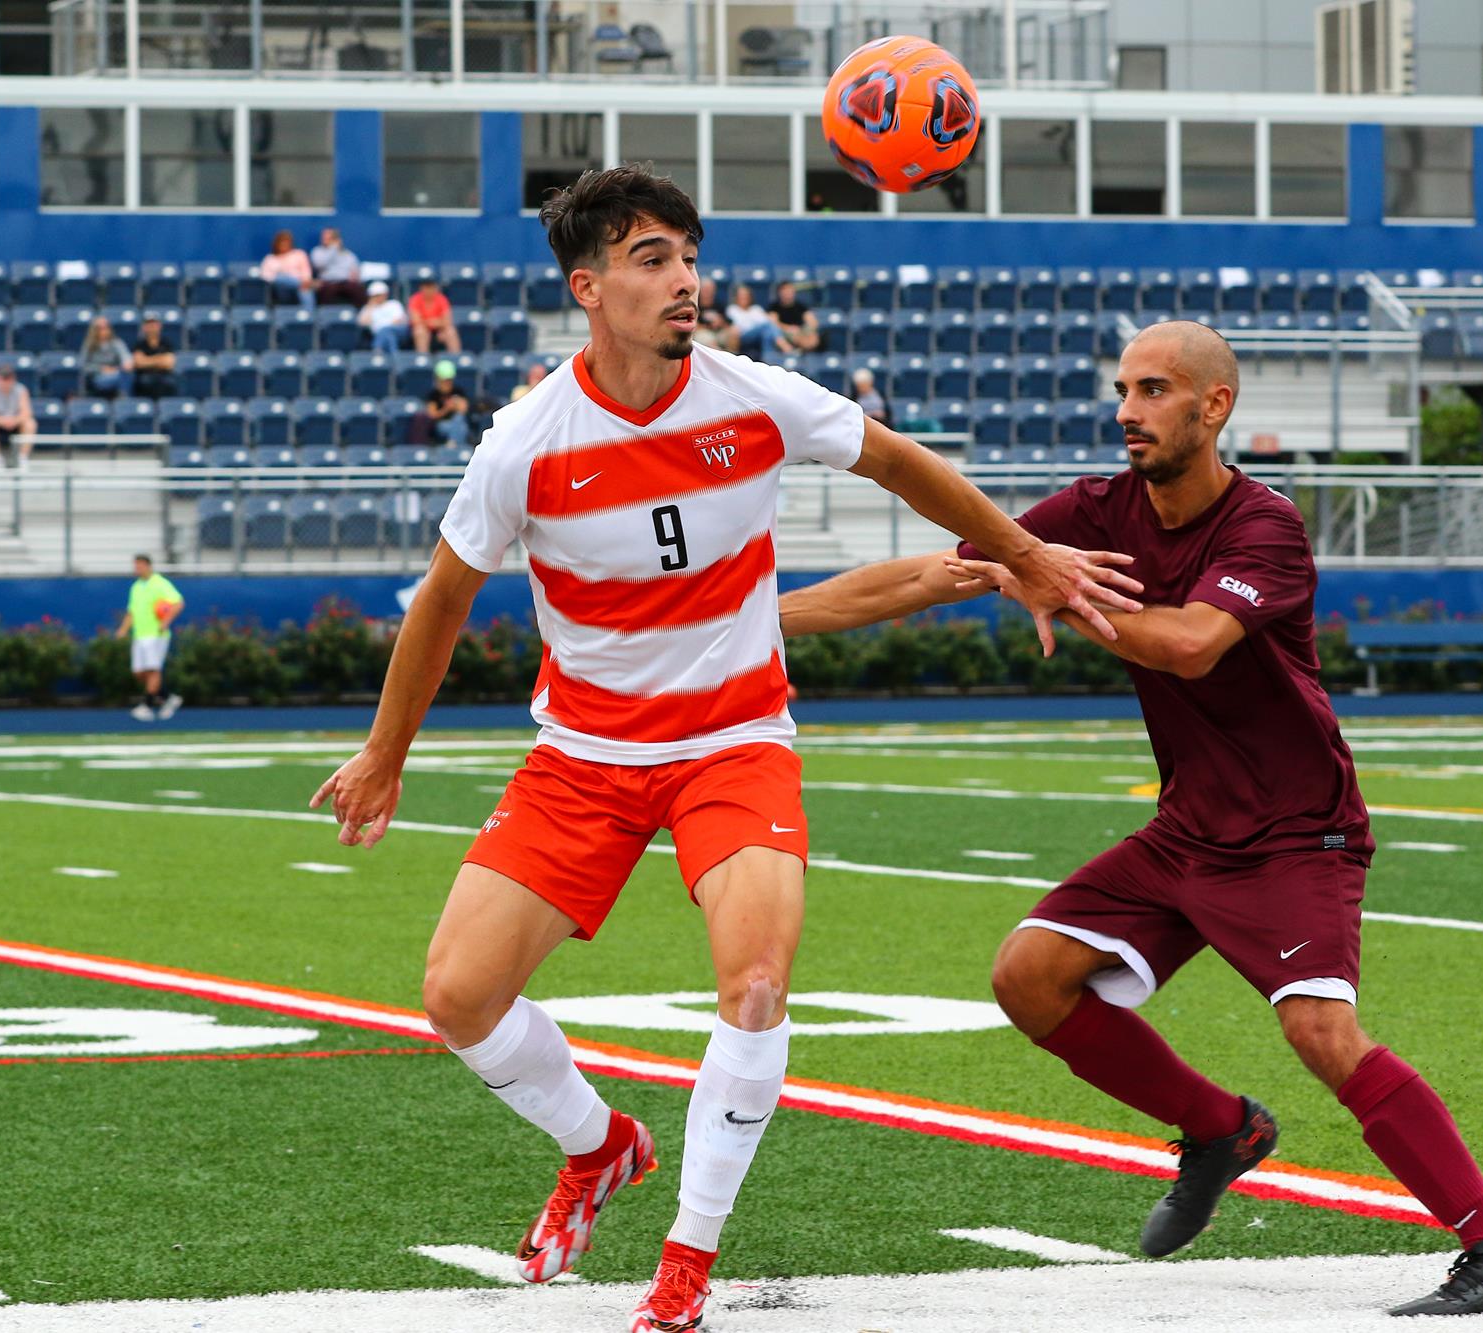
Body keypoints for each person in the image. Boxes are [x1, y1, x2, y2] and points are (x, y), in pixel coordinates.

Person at [306, 163, 1114, 1333]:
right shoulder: (523, 443)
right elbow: (439, 602)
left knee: (756, 979)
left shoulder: (755, 397)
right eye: (651, 260)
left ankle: (685, 1260)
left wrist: (1020, 549)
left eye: (688, 256)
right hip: (581, 752)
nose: (684, 280)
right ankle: (598, 1146)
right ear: (588, 287)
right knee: (457, 995)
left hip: (734, 743)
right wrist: (386, 753)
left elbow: (898, 462)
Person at [775, 320, 1483, 1320]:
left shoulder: (1262, 525)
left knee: (1318, 1028)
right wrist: (756, 613)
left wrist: (1048, 582)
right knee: (1027, 975)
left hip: (1290, 827)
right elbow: (933, 575)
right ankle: (1219, 1129)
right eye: (1121, 389)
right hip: (1187, 827)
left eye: (1150, 391)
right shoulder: (1091, 509)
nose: (1124, 411)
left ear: (1211, 406)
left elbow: (1190, 644)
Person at [116, 554, 183, 722]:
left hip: (156, 635)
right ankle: (168, 697)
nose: (136, 569)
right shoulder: (136, 587)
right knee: (139, 672)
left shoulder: (160, 583)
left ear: (148, 566)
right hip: (140, 635)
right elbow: (132, 611)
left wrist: (166, 622)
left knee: (153, 669)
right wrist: (123, 629)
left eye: (139, 566)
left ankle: (146, 706)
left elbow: (178, 602)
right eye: (135, 566)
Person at [724, 284, 789, 361]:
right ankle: (786, 349)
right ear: (736, 297)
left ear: (750, 297)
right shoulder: (732, 309)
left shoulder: (756, 309)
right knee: (767, 326)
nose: (744, 297)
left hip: (758, 336)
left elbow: (770, 323)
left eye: (746, 295)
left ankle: (769, 360)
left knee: (767, 332)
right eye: (741, 295)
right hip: (742, 337)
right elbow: (730, 326)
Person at [311, 226, 368, 307]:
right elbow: (319, 265)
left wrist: (355, 276)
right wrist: (333, 249)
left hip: (345, 282)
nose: (324, 239)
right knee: (328, 290)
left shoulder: (347, 254)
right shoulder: (318, 251)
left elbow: (355, 268)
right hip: (328, 282)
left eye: (329, 238)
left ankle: (360, 314)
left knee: (358, 289)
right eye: (324, 237)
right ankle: (325, 315)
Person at [406, 276, 462, 355]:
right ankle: (423, 359)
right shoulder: (415, 299)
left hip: (439, 331)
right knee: (420, 331)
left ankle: (456, 358)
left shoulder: (442, 299)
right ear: (421, 288)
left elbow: (447, 321)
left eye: (431, 287)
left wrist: (432, 323)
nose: (429, 290)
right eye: (427, 287)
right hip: (422, 330)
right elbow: (416, 321)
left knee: (450, 331)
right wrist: (434, 322)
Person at [261, 230, 316, 309]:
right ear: (276, 244)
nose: (284, 245)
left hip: (299, 288)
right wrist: (284, 277)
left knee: (305, 289)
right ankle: (299, 284)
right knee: (280, 276)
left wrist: (304, 282)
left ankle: (309, 316)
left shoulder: (299, 254)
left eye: (286, 242)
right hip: (280, 290)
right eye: (281, 243)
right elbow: (265, 276)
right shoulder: (270, 259)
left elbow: (306, 273)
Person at [81, 316, 131, 399]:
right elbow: (83, 366)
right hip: (97, 377)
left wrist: (124, 365)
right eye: (100, 328)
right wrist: (101, 369)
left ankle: (124, 400)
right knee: (122, 377)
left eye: (106, 327)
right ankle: (124, 399)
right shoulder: (89, 345)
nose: (104, 331)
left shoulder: (117, 343)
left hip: (116, 373)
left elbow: (126, 359)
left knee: (127, 374)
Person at [425, 359, 471, 446]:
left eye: (449, 380)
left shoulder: (458, 391)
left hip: (457, 423)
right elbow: (432, 415)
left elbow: (464, 410)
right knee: (462, 428)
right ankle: (456, 448)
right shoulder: (433, 395)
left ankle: (452, 444)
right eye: (444, 381)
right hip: (441, 425)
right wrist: (447, 408)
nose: (447, 383)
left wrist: (457, 406)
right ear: (438, 380)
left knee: (460, 422)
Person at [130, 316, 177, 400]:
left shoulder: (166, 343)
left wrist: (147, 360)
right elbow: (139, 363)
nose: (152, 327)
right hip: (144, 378)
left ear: (159, 326)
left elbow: (169, 363)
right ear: (144, 327)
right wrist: (160, 359)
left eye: (154, 324)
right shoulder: (139, 344)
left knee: (169, 382)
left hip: (164, 376)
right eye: (149, 324)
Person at [768, 279, 820, 352]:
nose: (788, 293)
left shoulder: (801, 306)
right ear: (779, 292)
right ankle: (797, 352)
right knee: (795, 336)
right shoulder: (774, 307)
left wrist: (806, 330)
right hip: (785, 333)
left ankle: (803, 351)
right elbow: (773, 323)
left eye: (790, 290)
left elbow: (813, 322)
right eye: (785, 290)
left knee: (813, 337)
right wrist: (788, 328)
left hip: (801, 331)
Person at [359, 280, 409, 353]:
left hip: (397, 332)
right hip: (380, 335)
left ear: (385, 294)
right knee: (389, 337)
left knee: (386, 331)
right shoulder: (368, 308)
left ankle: (377, 351)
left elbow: (398, 321)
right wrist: (370, 307)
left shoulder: (393, 304)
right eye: (374, 296)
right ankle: (394, 356)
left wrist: (384, 328)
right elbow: (362, 323)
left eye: (379, 295)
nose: (377, 297)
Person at [694, 276, 732, 350]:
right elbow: (694, 324)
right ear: (700, 289)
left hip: (719, 330)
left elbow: (727, 321)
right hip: (701, 331)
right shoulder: (695, 304)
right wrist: (707, 326)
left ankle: (733, 358)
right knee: (710, 339)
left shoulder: (719, 304)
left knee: (733, 333)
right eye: (705, 289)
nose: (708, 292)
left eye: (710, 289)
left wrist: (720, 322)